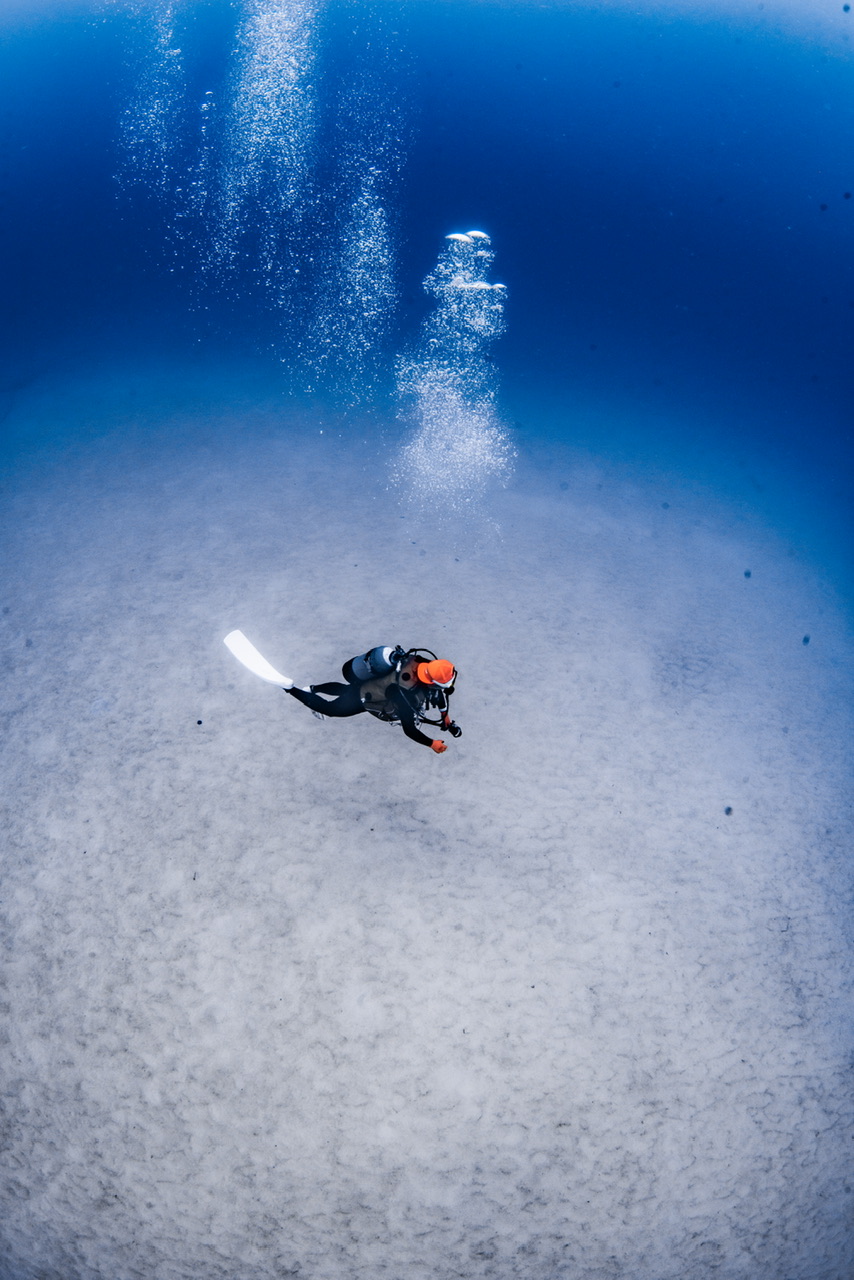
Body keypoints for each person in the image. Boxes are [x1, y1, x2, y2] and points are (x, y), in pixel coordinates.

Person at [287, 645, 461, 753]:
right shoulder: (403, 694)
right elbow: (409, 729)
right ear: (432, 681)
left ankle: (312, 689)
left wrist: (445, 717)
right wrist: (432, 744)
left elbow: (439, 695)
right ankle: (290, 688)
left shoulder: (422, 662)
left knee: (346, 689)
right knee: (331, 710)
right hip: (367, 696)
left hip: (371, 682)